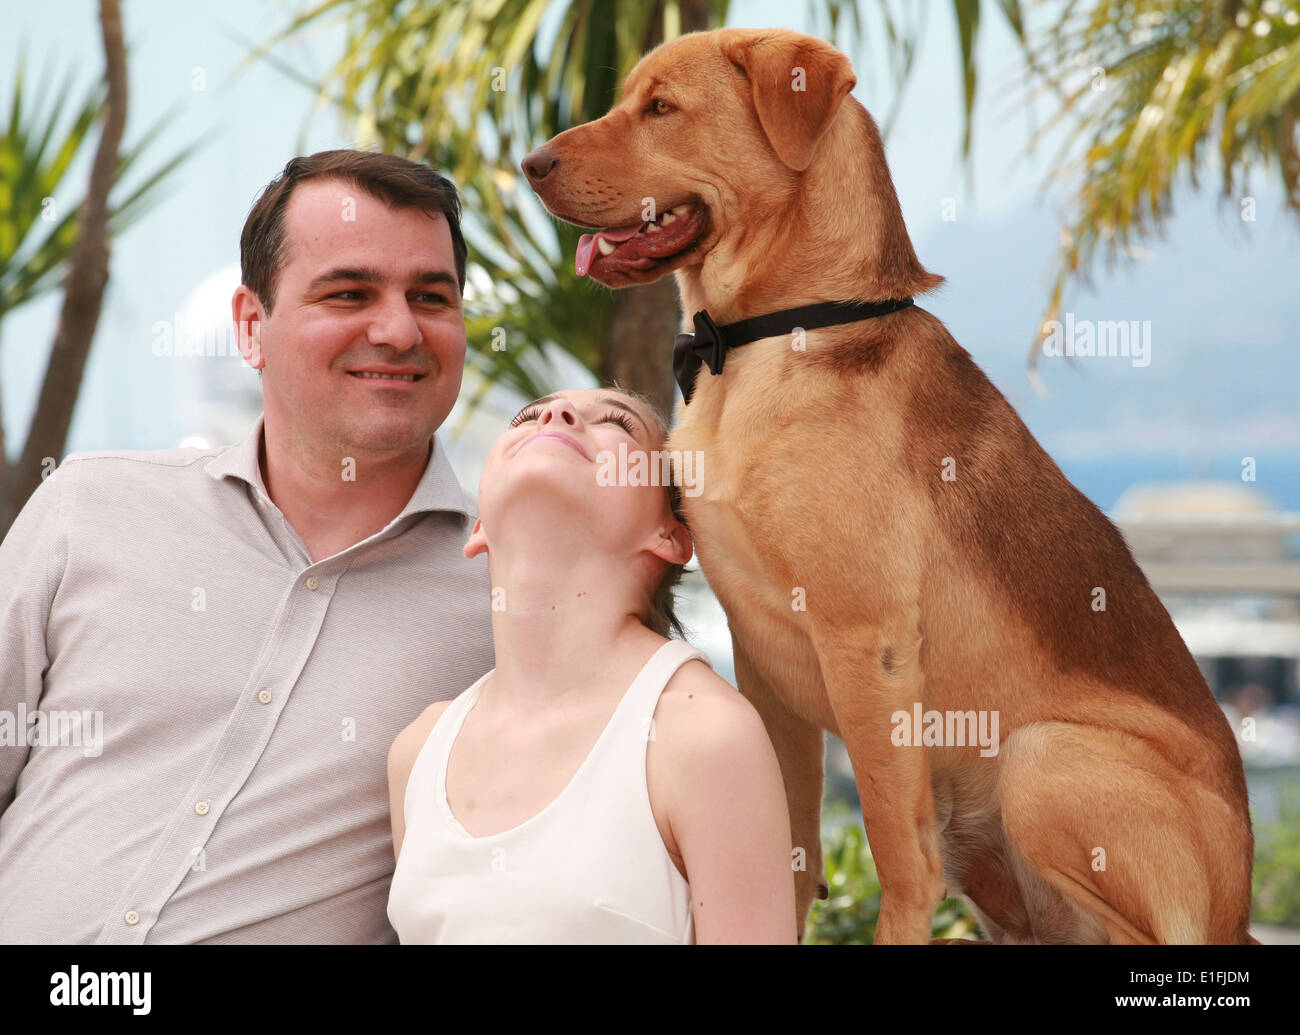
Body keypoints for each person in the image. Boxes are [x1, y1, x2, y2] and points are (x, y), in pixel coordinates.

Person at [0, 149, 494, 943]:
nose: (398, 329)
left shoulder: (510, 599)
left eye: (431, 298)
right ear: (251, 326)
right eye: (351, 292)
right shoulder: (88, 506)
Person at [386, 387, 797, 944]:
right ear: (478, 526)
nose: (556, 416)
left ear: (672, 537)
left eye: (619, 425)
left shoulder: (703, 735)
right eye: (528, 416)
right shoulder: (420, 748)